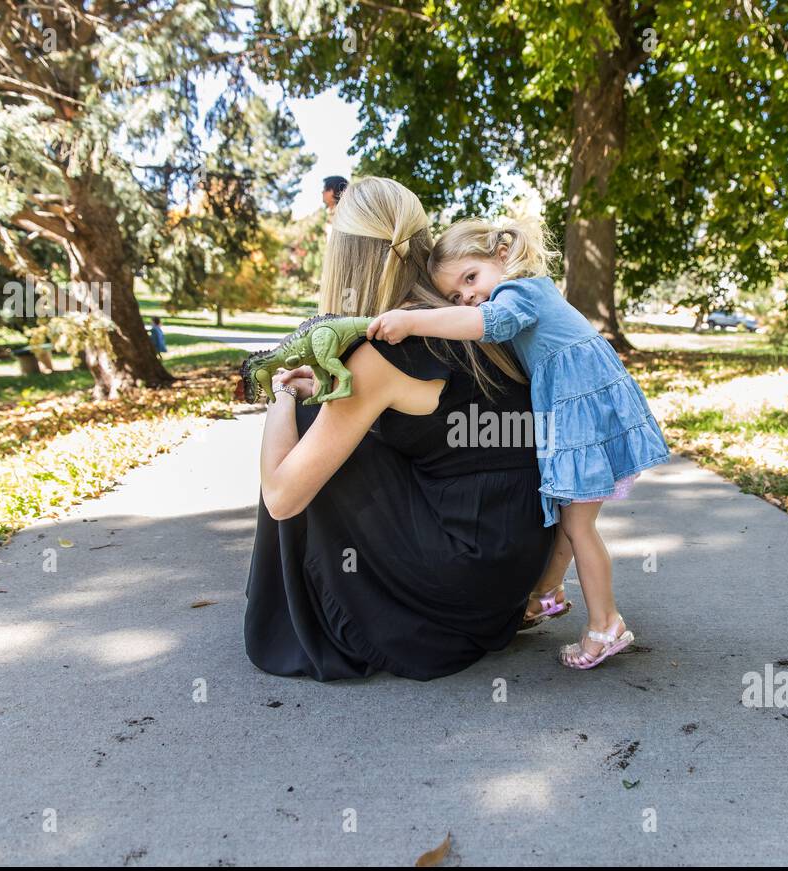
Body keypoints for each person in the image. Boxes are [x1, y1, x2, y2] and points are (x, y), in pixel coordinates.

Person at [244, 178, 554, 682]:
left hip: (468, 573)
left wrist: (280, 394)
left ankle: (306, 621)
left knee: (307, 425)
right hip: (512, 563)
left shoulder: (385, 351)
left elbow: (281, 497)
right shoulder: (464, 315)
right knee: (339, 419)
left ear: (344, 259)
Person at [366, 216, 671, 670]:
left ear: (501, 254)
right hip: (579, 410)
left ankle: (606, 624)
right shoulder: (527, 290)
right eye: (456, 295)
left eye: (471, 278)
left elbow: (486, 324)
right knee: (572, 513)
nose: (468, 296)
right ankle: (546, 594)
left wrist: (413, 322)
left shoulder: (520, 292)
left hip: (582, 412)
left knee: (580, 526)